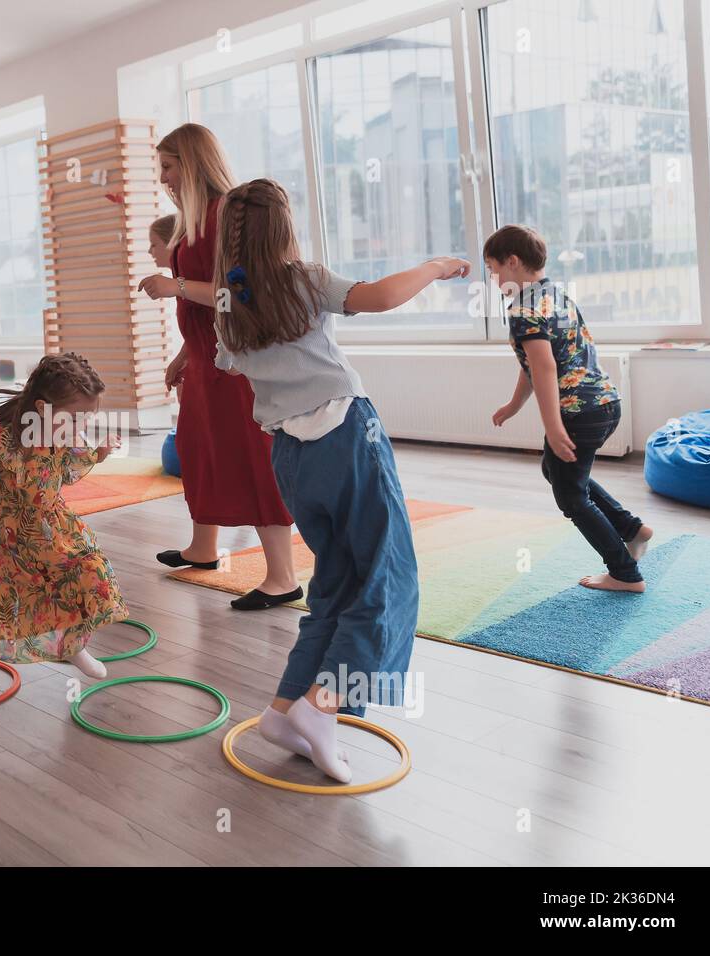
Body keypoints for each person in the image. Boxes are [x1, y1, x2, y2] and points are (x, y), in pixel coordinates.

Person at [212, 178, 468, 782]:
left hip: (291, 460)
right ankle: (321, 708)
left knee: (337, 579)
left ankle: (285, 711)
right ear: (284, 228)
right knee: (387, 576)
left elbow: (232, 364)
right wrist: (435, 265)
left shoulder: (228, 302)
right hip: (346, 438)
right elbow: (378, 297)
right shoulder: (303, 279)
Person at [139, 123, 301, 611]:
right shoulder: (192, 218)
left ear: (190, 163)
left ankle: (282, 577)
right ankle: (203, 548)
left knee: (252, 458)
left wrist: (175, 287)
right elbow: (204, 307)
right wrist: (184, 355)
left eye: (167, 166)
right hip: (206, 359)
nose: (162, 176)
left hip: (236, 364)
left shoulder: (225, 215)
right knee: (197, 448)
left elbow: (242, 295)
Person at [0, 353, 127, 710]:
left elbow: (74, 467)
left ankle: (74, 648)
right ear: (43, 408)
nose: (82, 424)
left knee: (81, 576)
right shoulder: (3, 438)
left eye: (88, 417)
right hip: (0, 536)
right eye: (77, 416)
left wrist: (102, 453)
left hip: (49, 530)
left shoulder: (63, 437)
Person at [485, 224, 652, 592]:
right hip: (605, 403)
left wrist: (554, 424)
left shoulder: (522, 309)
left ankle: (625, 573)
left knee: (570, 495)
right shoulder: (556, 295)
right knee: (557, 470)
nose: (493, 278)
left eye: (492, 268)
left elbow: (544, 367)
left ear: (512, 262)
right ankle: (631, 529)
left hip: (579, 412)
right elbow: (536, 364)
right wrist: (514, 404)